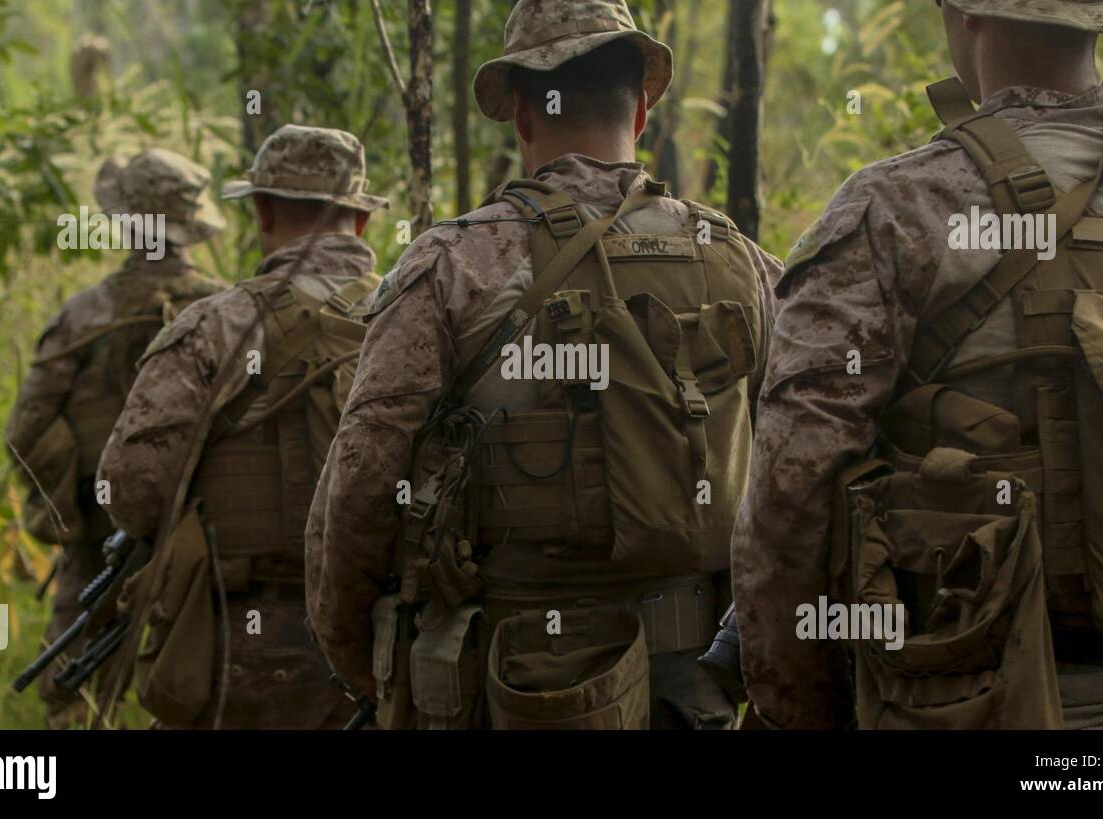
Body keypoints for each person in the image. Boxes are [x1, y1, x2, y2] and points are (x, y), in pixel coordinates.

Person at [306, 0, 781, 730]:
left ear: (523, 116)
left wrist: (362, 661)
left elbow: (362, 485)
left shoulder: (453, 263)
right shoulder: (740, 260)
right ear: (643, 109)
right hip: (695, 688)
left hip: (511, 683)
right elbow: (808, 463)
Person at [732, 0, 1103, 730]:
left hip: (962, 701)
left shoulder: (897, 205)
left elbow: (791, 488)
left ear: (964, 14)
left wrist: (800, 708)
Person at [96, 126, 388, 729]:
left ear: (262, 210)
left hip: (239, 648)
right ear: (359, 222)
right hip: (385, 649)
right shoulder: (418, 315)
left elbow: (131, 493)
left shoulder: (211, 327)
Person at [7, 148, 225, 728]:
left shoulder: (84, 314)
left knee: (74, 689)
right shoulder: (229, 312)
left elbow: (26, 428)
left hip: (100, 536)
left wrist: (71, 511)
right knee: (196, 681)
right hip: (201, 535)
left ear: (127, 223)